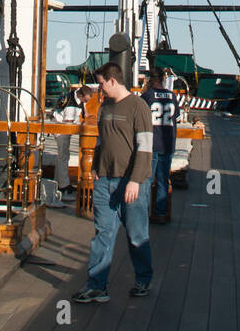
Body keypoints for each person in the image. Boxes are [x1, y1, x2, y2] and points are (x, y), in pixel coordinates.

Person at [72, 62, 153, 303]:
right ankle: (97, 285)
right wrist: (96, 166)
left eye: (101, 84)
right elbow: (102, 140)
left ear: (113, 81)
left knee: (137, 235)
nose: (99, 89)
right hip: (105, 180)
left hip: (130, 182)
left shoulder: (139, 107)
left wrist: (136, 181)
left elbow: (145, 148)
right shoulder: (105, 107)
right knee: (102, 234)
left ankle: (143, 280)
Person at [141, 65, 178, 223]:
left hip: (151, 143)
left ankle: (144, 213)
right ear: (163, 78)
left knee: (147, 180)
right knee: (163, 180)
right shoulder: (172, 96)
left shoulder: (147, 96)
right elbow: (175, 115)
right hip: (168, 142)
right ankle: (161, 213)